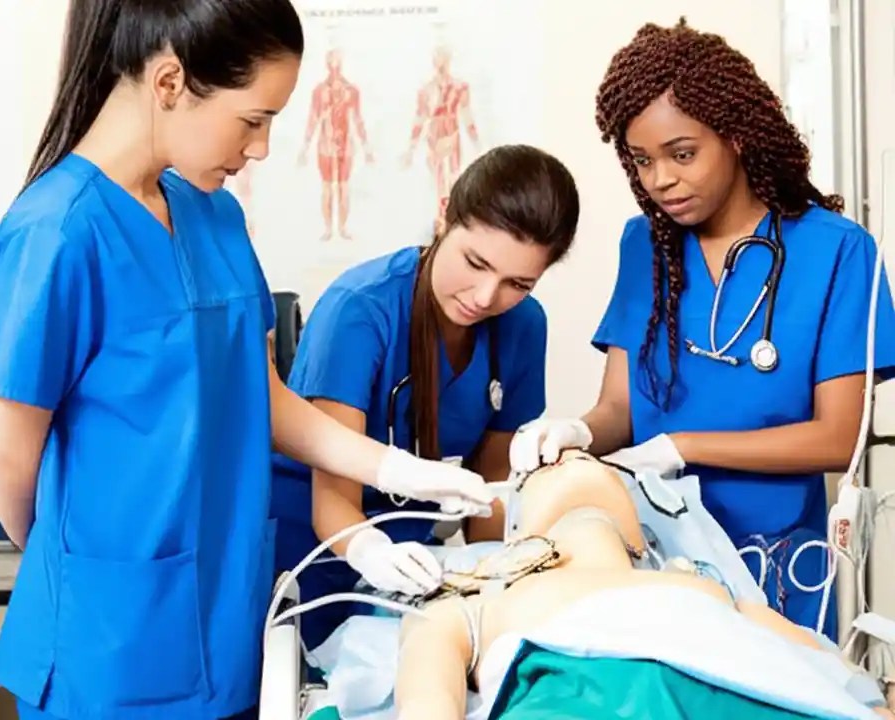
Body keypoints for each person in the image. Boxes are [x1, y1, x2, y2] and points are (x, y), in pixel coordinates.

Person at [0, 2, 496, 720]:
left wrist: (393, 471)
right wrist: (87, 574)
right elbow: (6, 459)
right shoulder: (58, 232)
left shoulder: (212, 216)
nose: (262, 147)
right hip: (108, 645)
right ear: (168, 82)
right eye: (253, 119)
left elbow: (260, 391)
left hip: (223, 614)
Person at [509, 18, 895, 639]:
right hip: (656, 557)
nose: (660, 180)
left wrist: (683, 446)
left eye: (682, 154)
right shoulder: (646, 246)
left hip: (777, 565)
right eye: (641, 161)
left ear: (737, 136)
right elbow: (620, 409)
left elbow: (837, 436)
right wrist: (577, 430)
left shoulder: (839, 252)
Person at [269, 144, 579, 649]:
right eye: (475, 262)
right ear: (443, 216)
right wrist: (370, 549)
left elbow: (491, 491)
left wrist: (507, 571)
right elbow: (333, 504)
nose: (485, 297)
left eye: (517, 283)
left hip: (413, 556)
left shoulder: (523, 327)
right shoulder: (360, 310)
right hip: (312, 548)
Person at [393, 451, 895, 720]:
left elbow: (835, 674)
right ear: (515, 534)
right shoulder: (474, 597)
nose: (568, 458)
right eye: (542, 468)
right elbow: (426, 703)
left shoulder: (701, 584)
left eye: (590, 459)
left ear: (643, 533)